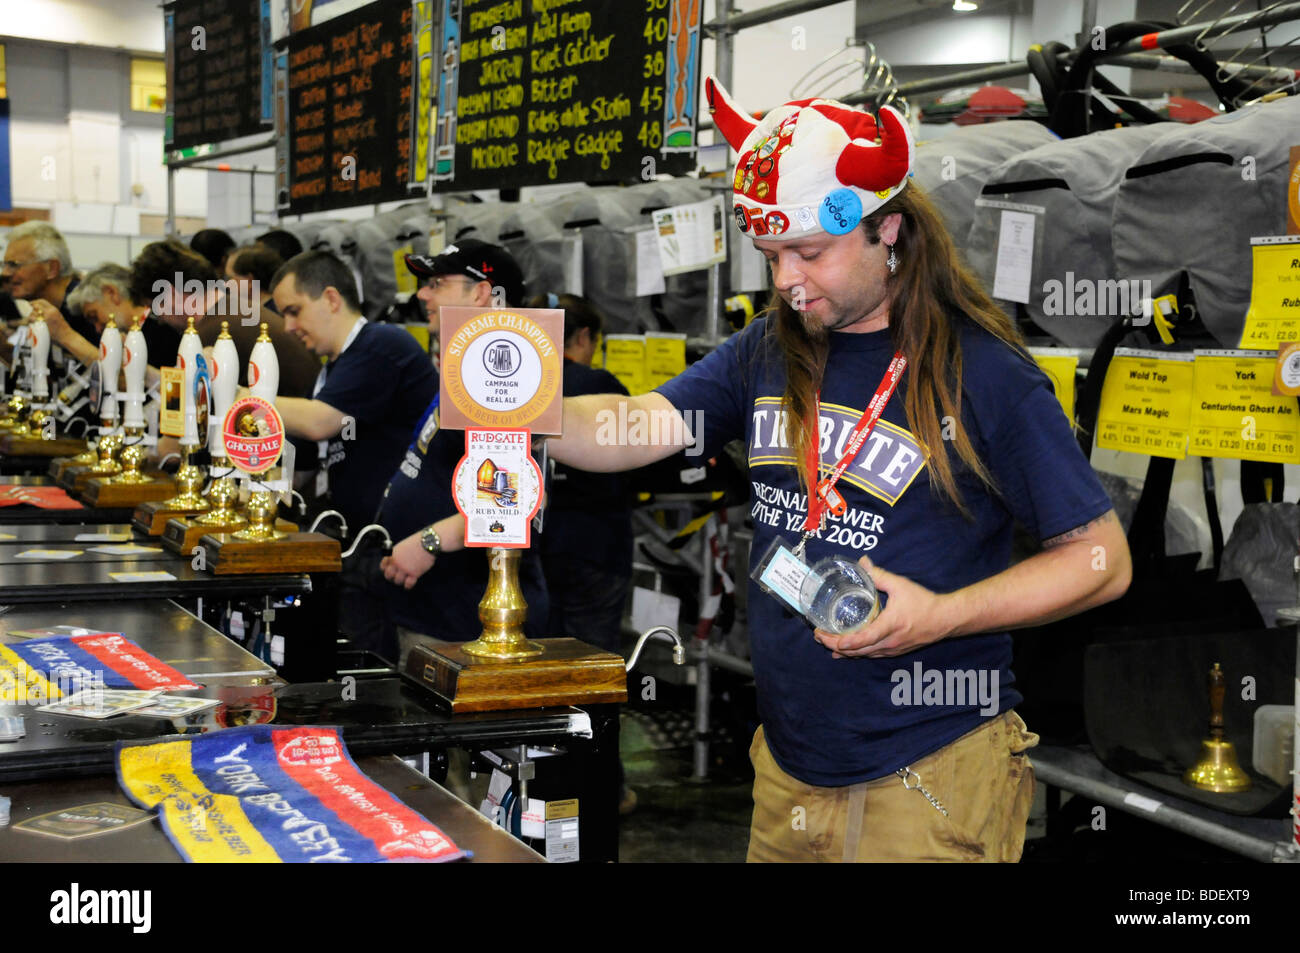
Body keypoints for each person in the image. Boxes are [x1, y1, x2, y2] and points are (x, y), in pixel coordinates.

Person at [546, 78, 1131, 862]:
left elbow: (1102, 562)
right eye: (770, 255)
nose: (787, 281)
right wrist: (521, 401)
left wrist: (941, 614)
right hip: (788, 766)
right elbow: (638, 425)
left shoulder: (984, 372)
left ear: (886, 228)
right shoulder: (770, 346)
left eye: (809, 253)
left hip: (930, 774)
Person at [370, 241, 548, 663]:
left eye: (436, 283)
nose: (422, 295)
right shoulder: (468, 367)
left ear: (481, 293)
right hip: (434, 609)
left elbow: (516, 496)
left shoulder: (506, 374)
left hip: (470, 620)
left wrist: (431, 541)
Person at [271, 250, 437, 537]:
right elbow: (301, 466)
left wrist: (239, 397)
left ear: (332, 299)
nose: (288, 327)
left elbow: (318, 422)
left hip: (395, 542)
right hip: (354, 536)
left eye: (294, 311)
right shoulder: (332, 370)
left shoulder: (381, 345)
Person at [528, 293, 633, 656]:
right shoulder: (599, 384)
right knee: (591, 664)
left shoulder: (520, 385)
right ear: (584, 337)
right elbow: (637, 460)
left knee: (539, 655)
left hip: (535, 546)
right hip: (594, 547)